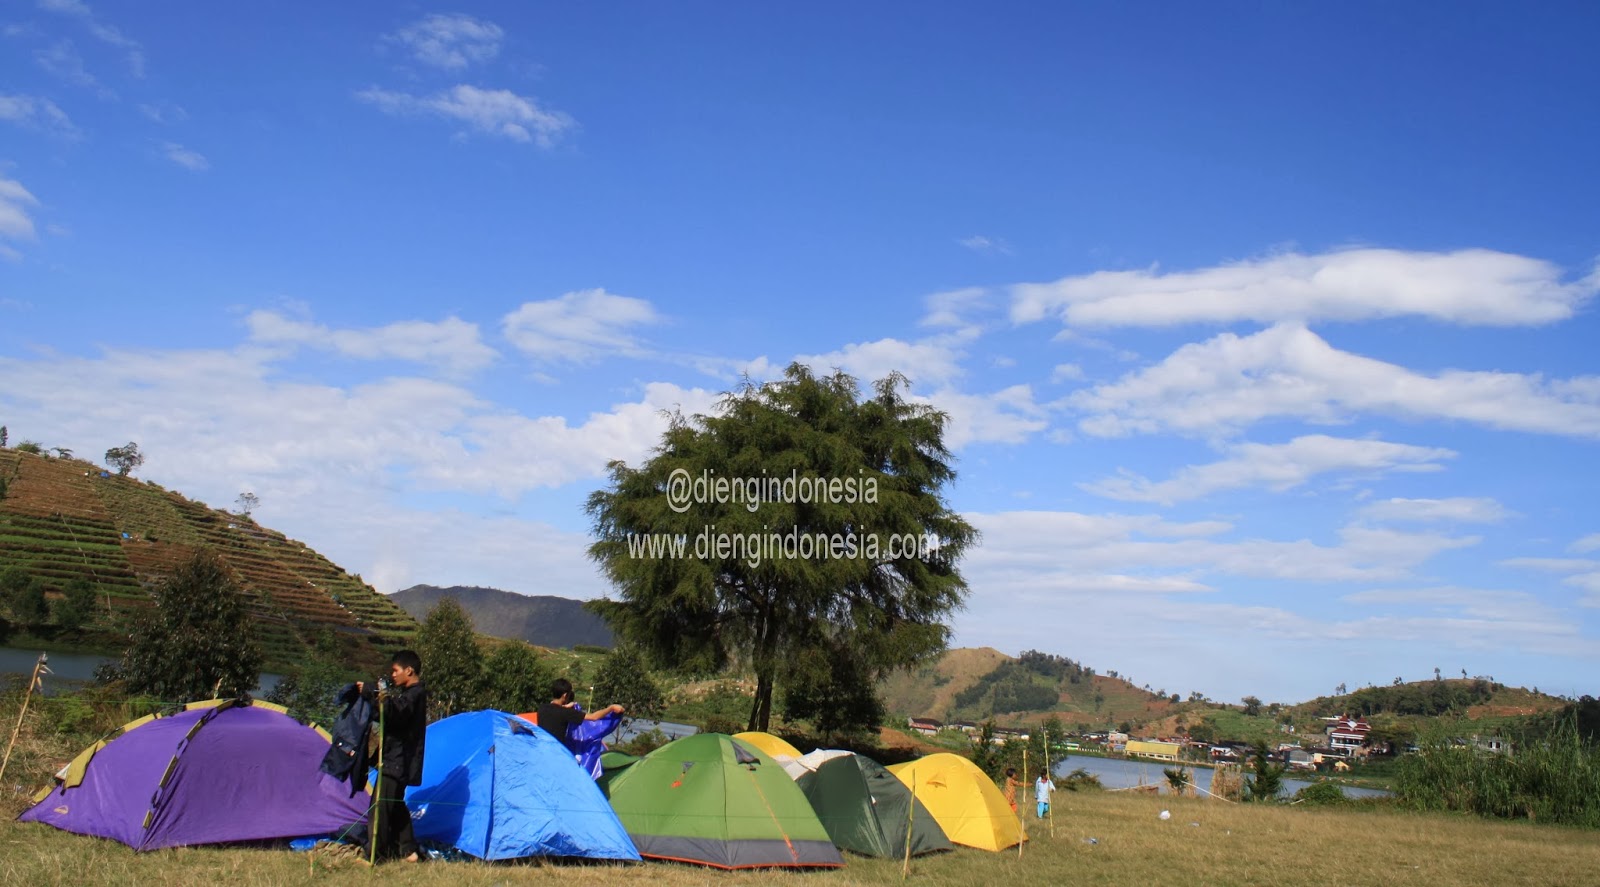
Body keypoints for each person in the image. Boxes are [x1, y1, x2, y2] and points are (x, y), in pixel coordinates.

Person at [357, 650, 428, 863]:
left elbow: (395, 712)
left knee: (380, 808)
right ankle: (409, 851)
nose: (393, 675)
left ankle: (376, 855)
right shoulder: (411, 695)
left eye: (396, 671)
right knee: (395, 805)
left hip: (397, 761)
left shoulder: (414, 695)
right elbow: (389, 714)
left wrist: (372, 691)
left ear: (409, 670)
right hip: (399, 760)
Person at [535, 678, 624, 754]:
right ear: (565, 695)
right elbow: (594, 717)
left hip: (541, 750)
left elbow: (554, 709)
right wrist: (610, 708)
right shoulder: (566, 712)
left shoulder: (542, 708)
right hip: (557, 752)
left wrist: (568, 706)